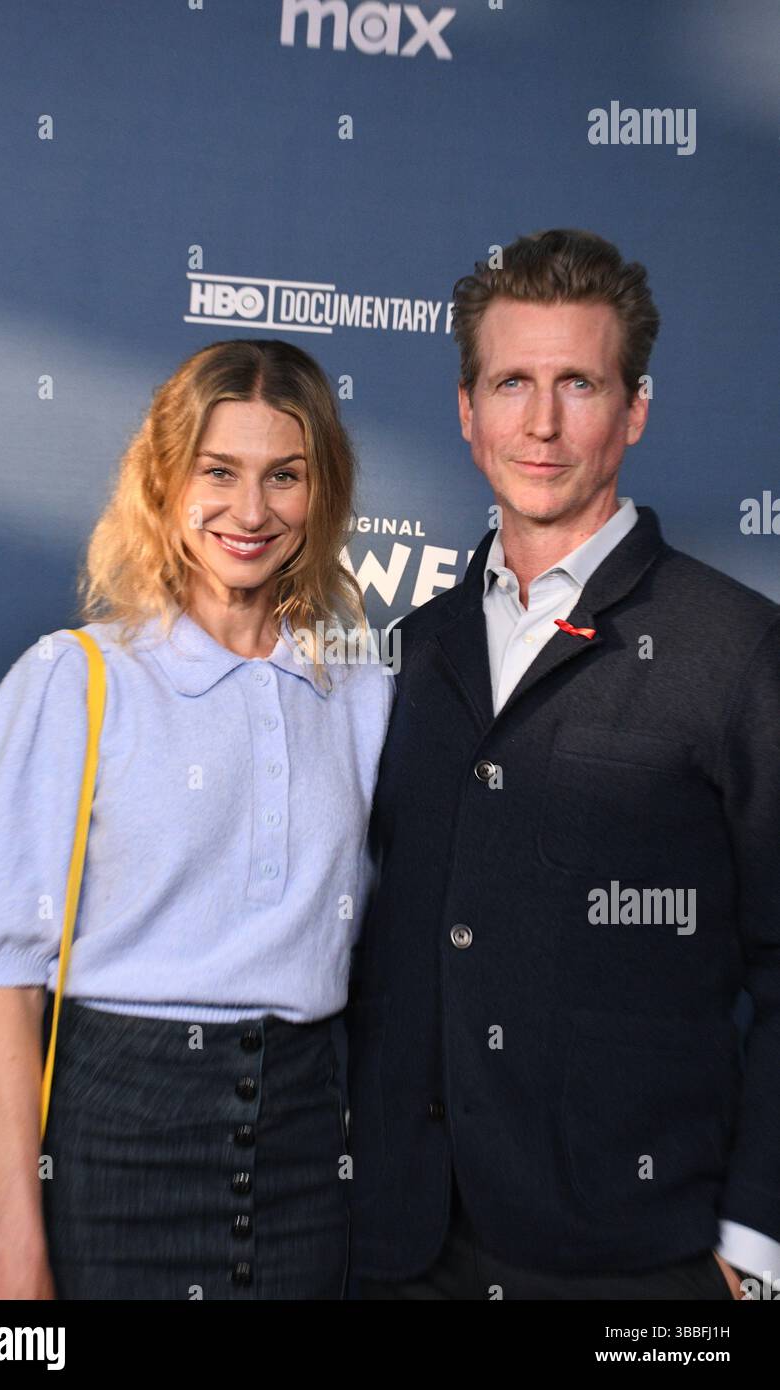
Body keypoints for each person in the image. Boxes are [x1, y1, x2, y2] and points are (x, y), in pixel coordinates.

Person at [346, 228, 780, 1300]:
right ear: (465, 411)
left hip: (638, 1263)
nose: (539, 424)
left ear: (632, 409)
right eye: (510, 383)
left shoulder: (736, 649)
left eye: (576, 383)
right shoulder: (416, 648)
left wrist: (754, 1245)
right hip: (404, 1246)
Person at [0, 338, 394, 1300]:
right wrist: (15, 1242)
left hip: (306, 1170)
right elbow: (7, 984)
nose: (251, 509)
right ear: (163, 481)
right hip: (109, 1162)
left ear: (323, 493)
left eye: (286, 475)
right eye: (219, 472)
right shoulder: (76, 681)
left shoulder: (362, 692)